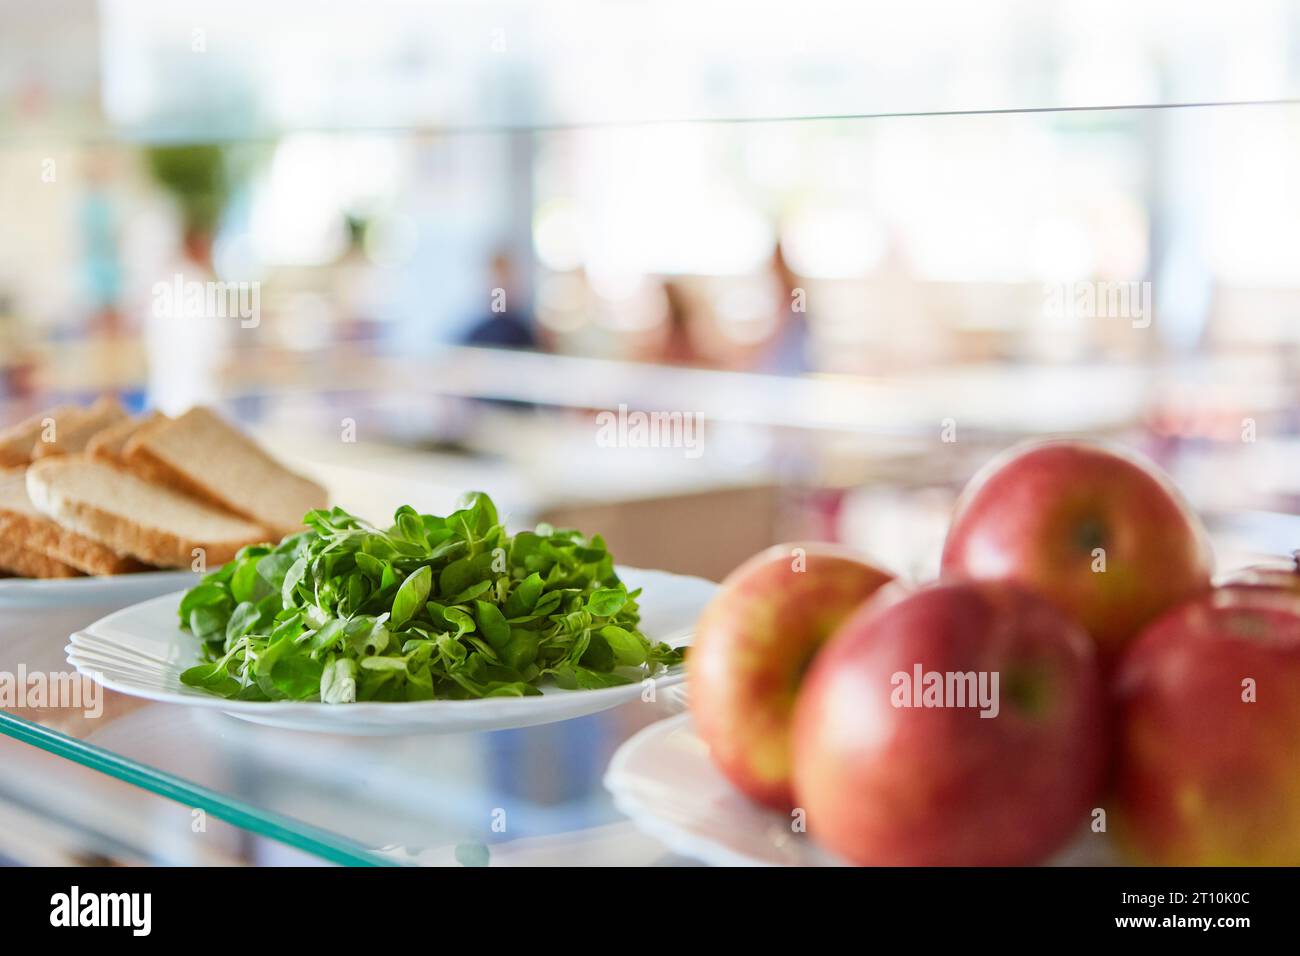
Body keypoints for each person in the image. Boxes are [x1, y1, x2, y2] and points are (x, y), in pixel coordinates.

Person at [462, 251, 538, 350]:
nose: (500, 287)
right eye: (495, 281)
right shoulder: (477, 333)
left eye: (506, 281)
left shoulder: (523, 332)